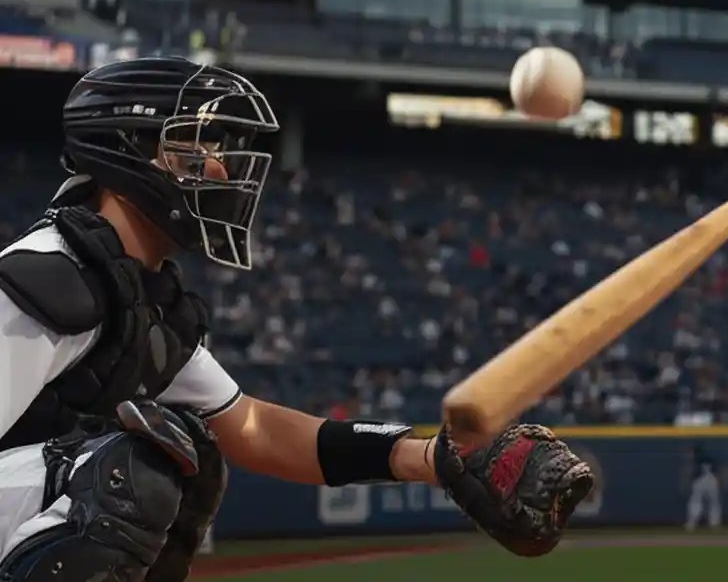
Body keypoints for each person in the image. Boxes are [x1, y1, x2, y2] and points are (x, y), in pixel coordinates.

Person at [0, 57, 594, 581]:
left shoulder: (140, 299)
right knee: (128, 478)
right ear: (126, 152)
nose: (217, 170)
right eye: (192, 148)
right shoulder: (48, 279)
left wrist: (431, 457)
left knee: (193, 460)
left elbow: (254, 429)